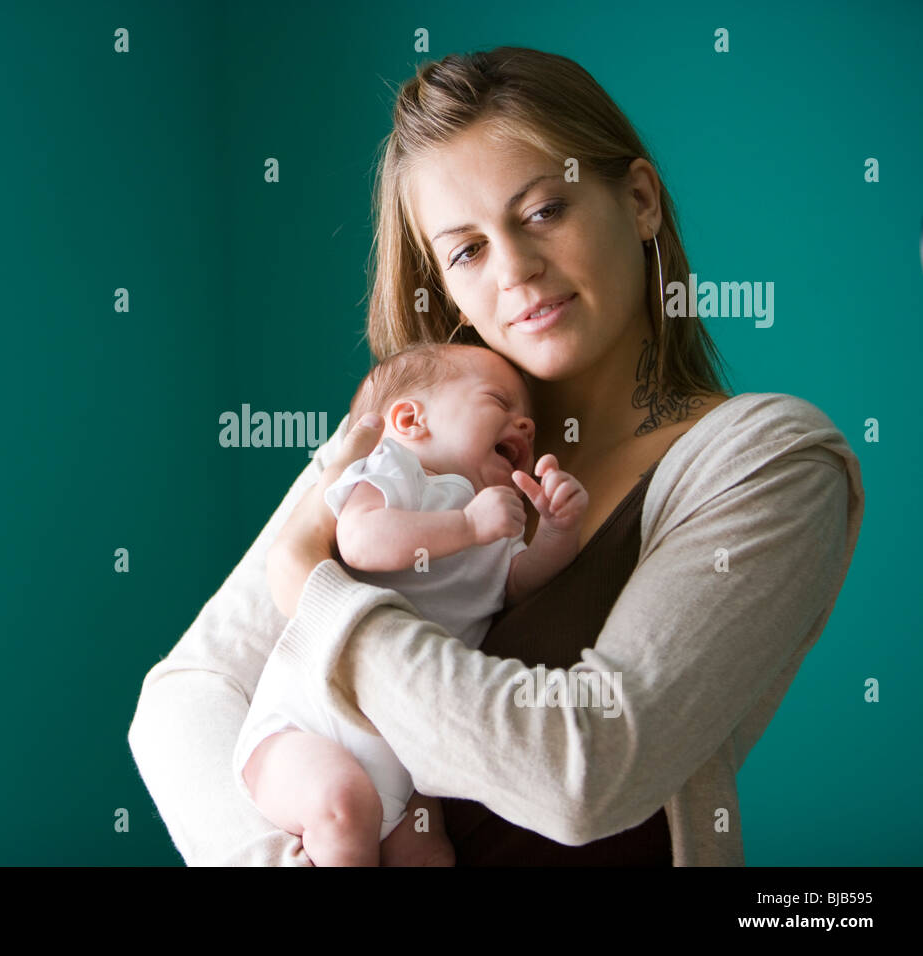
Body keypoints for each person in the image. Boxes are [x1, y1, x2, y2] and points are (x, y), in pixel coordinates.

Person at [128, 47, 865, 866]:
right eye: (468, 250)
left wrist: (316, 590)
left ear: (641, 200)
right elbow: (185, 697)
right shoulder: (411, 439)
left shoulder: (767, 463)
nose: (515, 269)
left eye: (545, 210)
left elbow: (585, 775)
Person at [236, 342, 588, 865]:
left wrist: (558, 531)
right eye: (499, 402)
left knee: (430, 852)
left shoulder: (495, 529)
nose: (526, 427)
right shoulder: (394, 470)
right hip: (304, 728)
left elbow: (518, 583)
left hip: (405, 759)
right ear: (410, 419)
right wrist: (465, 526)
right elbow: (361, 541)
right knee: (342, 804)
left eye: (529, 422)